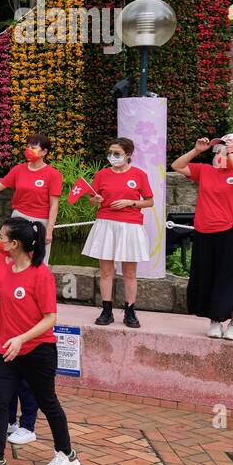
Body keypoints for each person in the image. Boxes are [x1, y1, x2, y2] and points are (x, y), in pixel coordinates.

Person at [0, 218, 80, 465]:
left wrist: (21, 338)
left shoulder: (41, 274)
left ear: (14, 243)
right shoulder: (3, 269)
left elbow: (50, 318)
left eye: (2, 236)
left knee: (47, 402)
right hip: (9, 350)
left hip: (38, 351)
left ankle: (67, 455)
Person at [172, 134, 233, 341]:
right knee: (207, 276)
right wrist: (196, 151)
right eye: (216, 149)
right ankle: (215, 320)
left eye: (223, 149)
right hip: (205, 231)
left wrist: (231, 155)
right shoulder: (205, 171)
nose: (218, 153)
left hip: (231, 231)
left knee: (231, 278)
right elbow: (177, 165)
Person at [82, 137, 154, 329]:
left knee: (129, 272)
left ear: (128, 155)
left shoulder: (139, 175)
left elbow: (149, 201)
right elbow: (92, 199)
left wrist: (130, 202)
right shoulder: (101, 175)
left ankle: (130, 311)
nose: (112, 157)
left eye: (117, 153)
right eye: (110, 153)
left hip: (130, 225)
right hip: (106, 223)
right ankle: (107, 310)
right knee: (106, 270)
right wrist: (95, 199)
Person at [0, 239, 40, 446]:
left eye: (4, 236)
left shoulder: (33, 265)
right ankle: (9, 420)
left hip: (20, 332)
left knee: (25, 381)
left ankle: (28, 425)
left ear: (16, 242)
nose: (0, 240)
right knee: (4, 378)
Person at [0, 133, 62, 245]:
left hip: (40, 222)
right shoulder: (18, 170)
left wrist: (49, 230)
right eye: (28, 147)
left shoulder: (54, 174)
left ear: (44, 152)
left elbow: (54, 205)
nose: (29, 150)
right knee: (15, 256)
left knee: (38, 259)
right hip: (18, 218)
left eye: (33, 148)